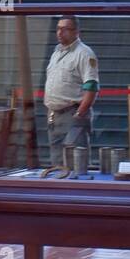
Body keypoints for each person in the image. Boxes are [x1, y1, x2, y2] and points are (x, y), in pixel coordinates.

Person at [43, 17, 99, 166]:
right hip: (54, 115)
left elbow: (92, 86)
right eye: (58, 28)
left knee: (76, 161)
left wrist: (79, 114)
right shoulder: (57, 52)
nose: (60, 32)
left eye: (65, 29)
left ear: (76, 32)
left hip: (72, 112)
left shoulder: (84, 54)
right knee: (57, 163)